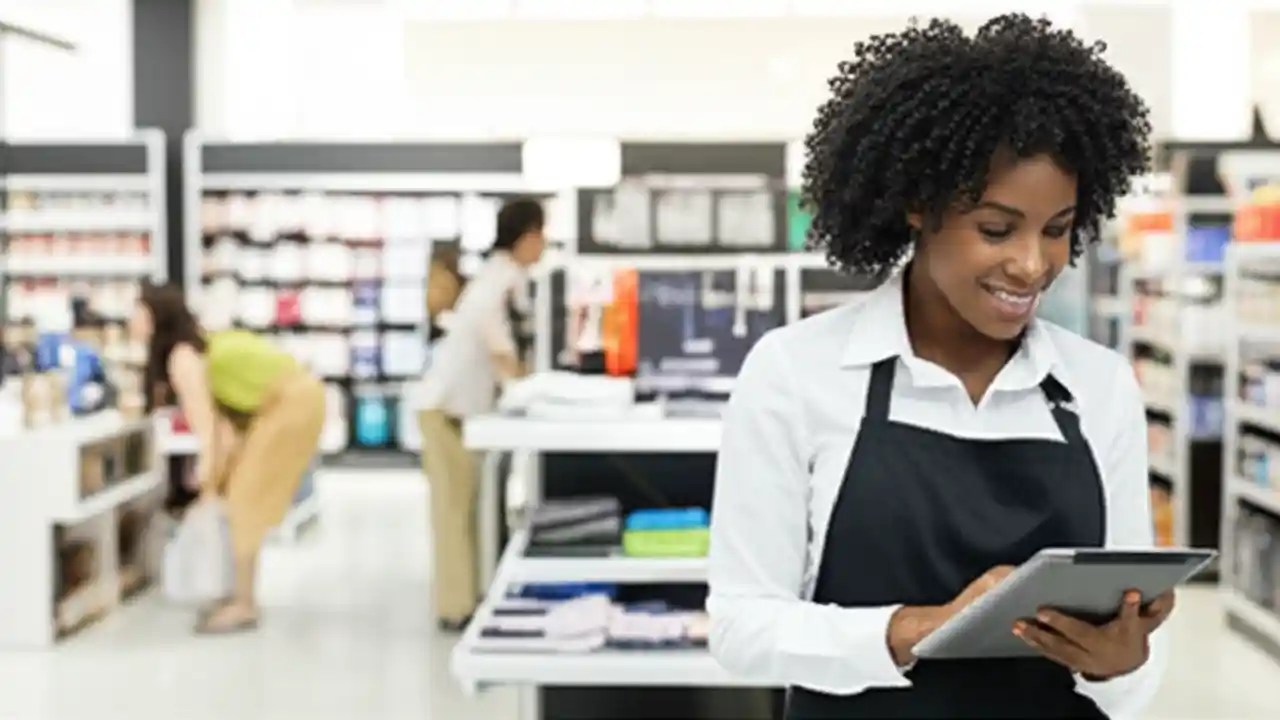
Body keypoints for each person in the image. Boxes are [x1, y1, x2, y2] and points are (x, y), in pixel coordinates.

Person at [708, 14, 1170, 719]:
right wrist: (922, 628)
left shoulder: (1098, 385)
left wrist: (1121, 663)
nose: (1032, 265)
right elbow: (741, 629)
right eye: (996, 229)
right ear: (918, 206)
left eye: (1056, 230)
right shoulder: (799, 373)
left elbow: (1131, 660)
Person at [132, 283, 325, 634]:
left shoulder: (182, 358)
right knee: (241, 499)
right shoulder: (199, 348)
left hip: (290, 405)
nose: (131, 320)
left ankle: (243, 603)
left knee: (244, 502)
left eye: (138, 312)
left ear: (157, 317)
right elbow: (225, 430)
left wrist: (208, 479)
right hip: (295, 400)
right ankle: (237, 594)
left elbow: (208, 430)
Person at [418, 198, 546, 631]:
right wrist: (535, 387)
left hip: (460, 411)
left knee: (467, 508)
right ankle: (454, 609)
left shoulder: (503, 277)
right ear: (528, 236)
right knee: (453, 512)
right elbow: (501, 351)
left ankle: (469, 599)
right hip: (444, 411)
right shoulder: (498, 281)